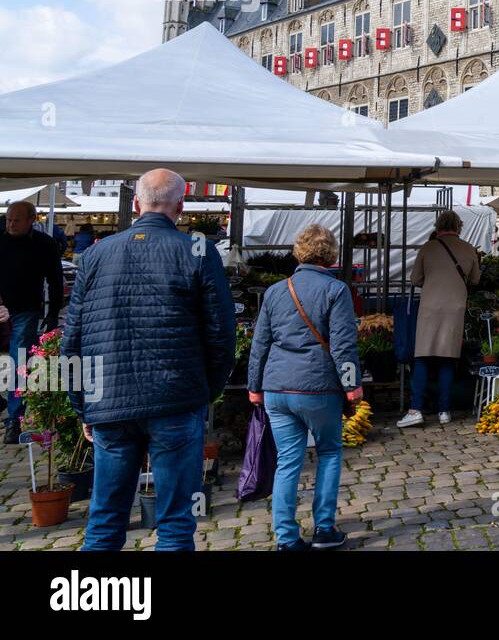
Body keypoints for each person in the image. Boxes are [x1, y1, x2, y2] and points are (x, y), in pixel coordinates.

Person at [63, 169, 235, 550]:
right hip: (175, 398)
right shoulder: (197, 250)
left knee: (106, 517)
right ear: (181, 206)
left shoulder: (94, 255)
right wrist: (205, 391)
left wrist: (83, 406)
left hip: (110, 401)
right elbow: (223, 335)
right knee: (174, 522)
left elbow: (71, 338)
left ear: (137, 204)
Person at [247, 224, 361, 551]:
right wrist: (352, 386)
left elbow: (260, 344)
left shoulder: (275, 291)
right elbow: (342, 346)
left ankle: (286, 537)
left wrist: (254, 386)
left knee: (288, 461)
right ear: (330, 253)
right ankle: (324, 529)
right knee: (328, 451)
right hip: (318, 387)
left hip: (277, 388)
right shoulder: (336, 290)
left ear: (298, 251)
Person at [399, 210, 481, 428]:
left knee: (423, 358)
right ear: (459, 226)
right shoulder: (468, 249)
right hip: (455, 308)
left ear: (438, 226)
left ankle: (416, 408)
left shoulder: (428, 248)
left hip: (429, 309)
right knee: (448, 358)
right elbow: (475, 278)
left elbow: (415, 278)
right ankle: (444, 411)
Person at [2, 200, 66, 443]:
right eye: (8, 219)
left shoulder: (45, 245)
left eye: (16, 220)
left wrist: (52, 314)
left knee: (19, 361)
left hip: (25, 310)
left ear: (31, 220)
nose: (11, 224)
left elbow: (55, 281)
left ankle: (14, 421)